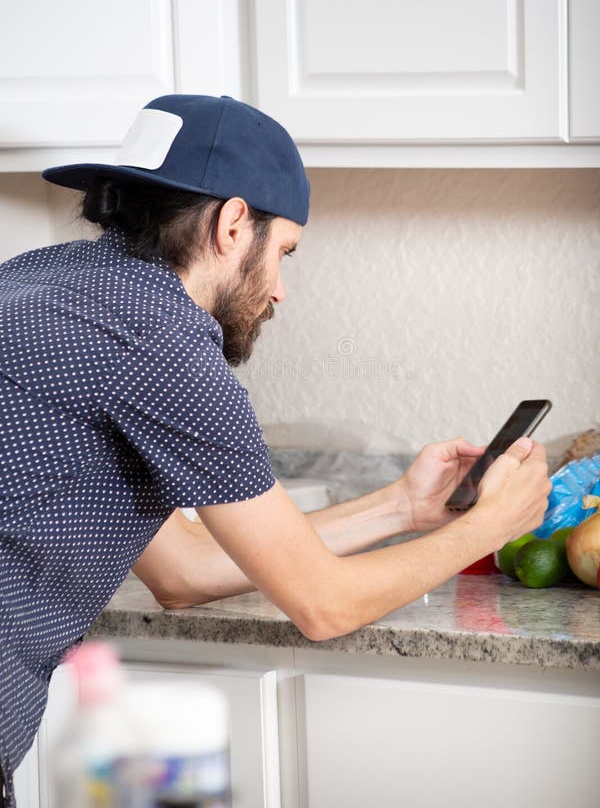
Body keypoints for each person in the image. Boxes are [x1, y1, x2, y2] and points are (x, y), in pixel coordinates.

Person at [0, 94, 550, 805]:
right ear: (233, 224)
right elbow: (324, 606)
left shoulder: (37, 280)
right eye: (284, 251)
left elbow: (183, 571)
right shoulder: (162, 341)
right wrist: (489, 526)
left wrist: (402, 508)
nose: (282, 291)